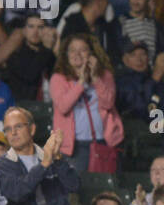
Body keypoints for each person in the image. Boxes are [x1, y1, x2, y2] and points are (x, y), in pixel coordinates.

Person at [0, 106, 78, 205]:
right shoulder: (4, 163)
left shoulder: (51, 157)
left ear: (32, 129)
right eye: (8, 129)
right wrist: (45, 163)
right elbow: (17, 193)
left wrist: (57, 157)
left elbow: (74, 185)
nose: (13, 133)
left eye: (18, 126)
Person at [49, 33, 124, 174]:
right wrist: (82, 82)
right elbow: (63, 106)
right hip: (74, 146)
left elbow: (108, 103)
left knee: (104, 188)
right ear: (66, 54)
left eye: (83, 50)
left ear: (91, 53)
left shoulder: (105, 75)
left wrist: (95, 77)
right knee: (77, 190)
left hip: (103, 142)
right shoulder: (58, 78)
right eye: (72, 50)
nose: (77, 54)